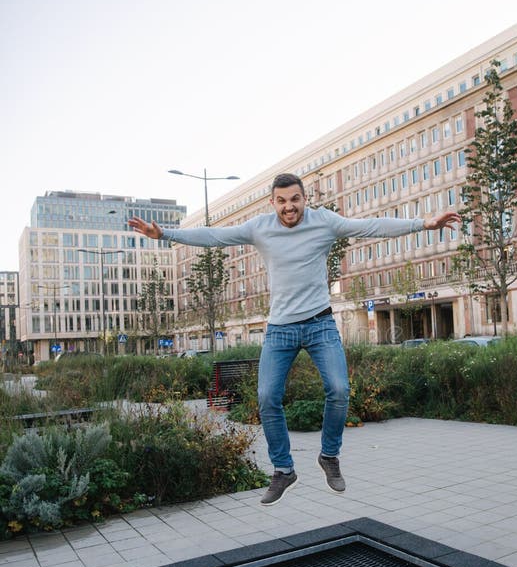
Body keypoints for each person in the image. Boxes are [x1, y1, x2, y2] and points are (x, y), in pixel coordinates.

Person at [128, 173, 461, 505]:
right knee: (267, 396)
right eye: (282, 201)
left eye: (295, 200)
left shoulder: (325, 222)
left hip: (320, 325)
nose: (289, 207)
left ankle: (329, 456)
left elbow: (370, 226)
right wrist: (165, 234)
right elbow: (215, 235)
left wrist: (424, 224)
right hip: (280, 329)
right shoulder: (259, 227)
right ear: (273, 202)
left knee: (340, 389)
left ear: (305, 199)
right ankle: (284, 469)